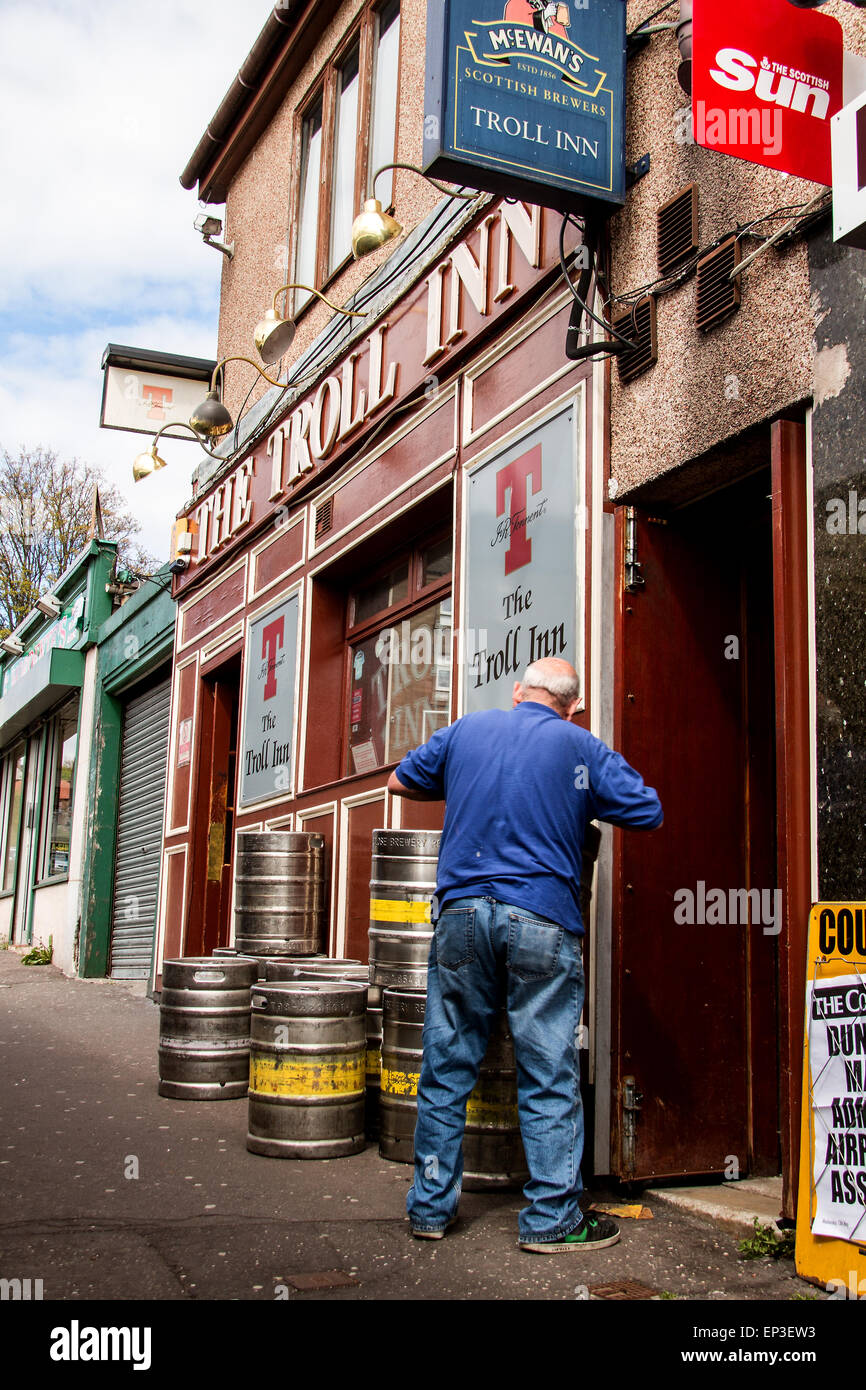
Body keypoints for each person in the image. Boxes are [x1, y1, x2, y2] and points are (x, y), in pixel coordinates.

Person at [387, 656, 663, 1252]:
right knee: (548, 1074)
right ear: (572, 704)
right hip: (542, 919)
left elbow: (400, 781)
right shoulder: (579, 743)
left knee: (446, 1067)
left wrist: (464, 778)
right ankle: (549, 1220)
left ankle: (430, 1209)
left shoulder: (466, 730)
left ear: (518, 693)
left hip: (461, 917)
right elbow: (647, 809)